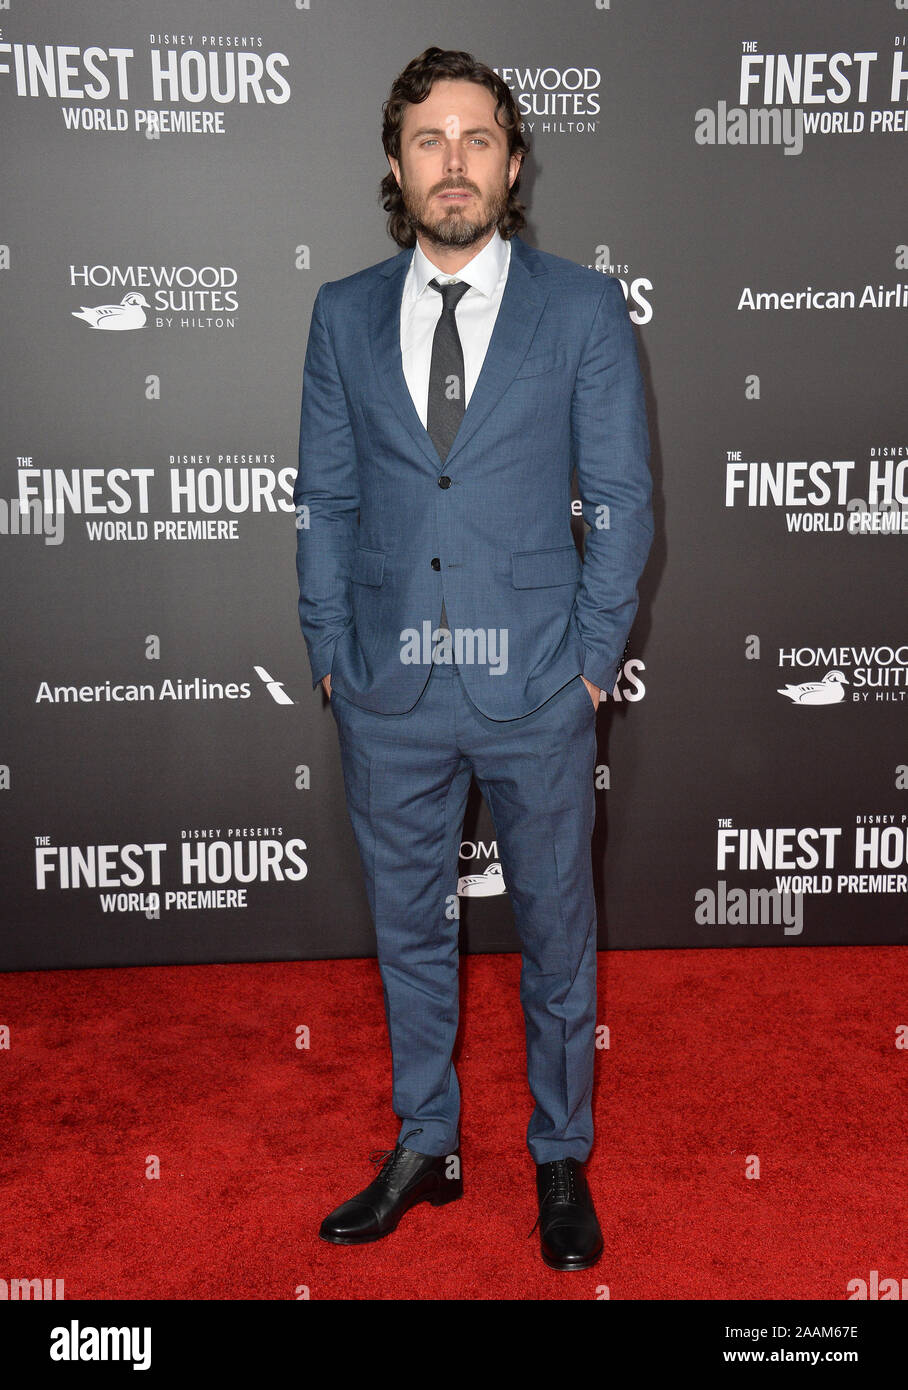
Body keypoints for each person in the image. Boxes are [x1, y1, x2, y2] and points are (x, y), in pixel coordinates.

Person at [294, 45, 653, 1270]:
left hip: (538, 685)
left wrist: (592, 660)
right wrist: (328, 651)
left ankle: (559, 1154)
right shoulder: (341, 311)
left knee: (556, 927)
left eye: (477, 139)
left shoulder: (581, 308)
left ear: (512, 161)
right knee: (407, 929)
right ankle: (426, 1144)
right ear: (396, 165)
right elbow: (326, 498)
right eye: (429, 141)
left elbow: (619, 498)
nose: (454, 163)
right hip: (386, 689)